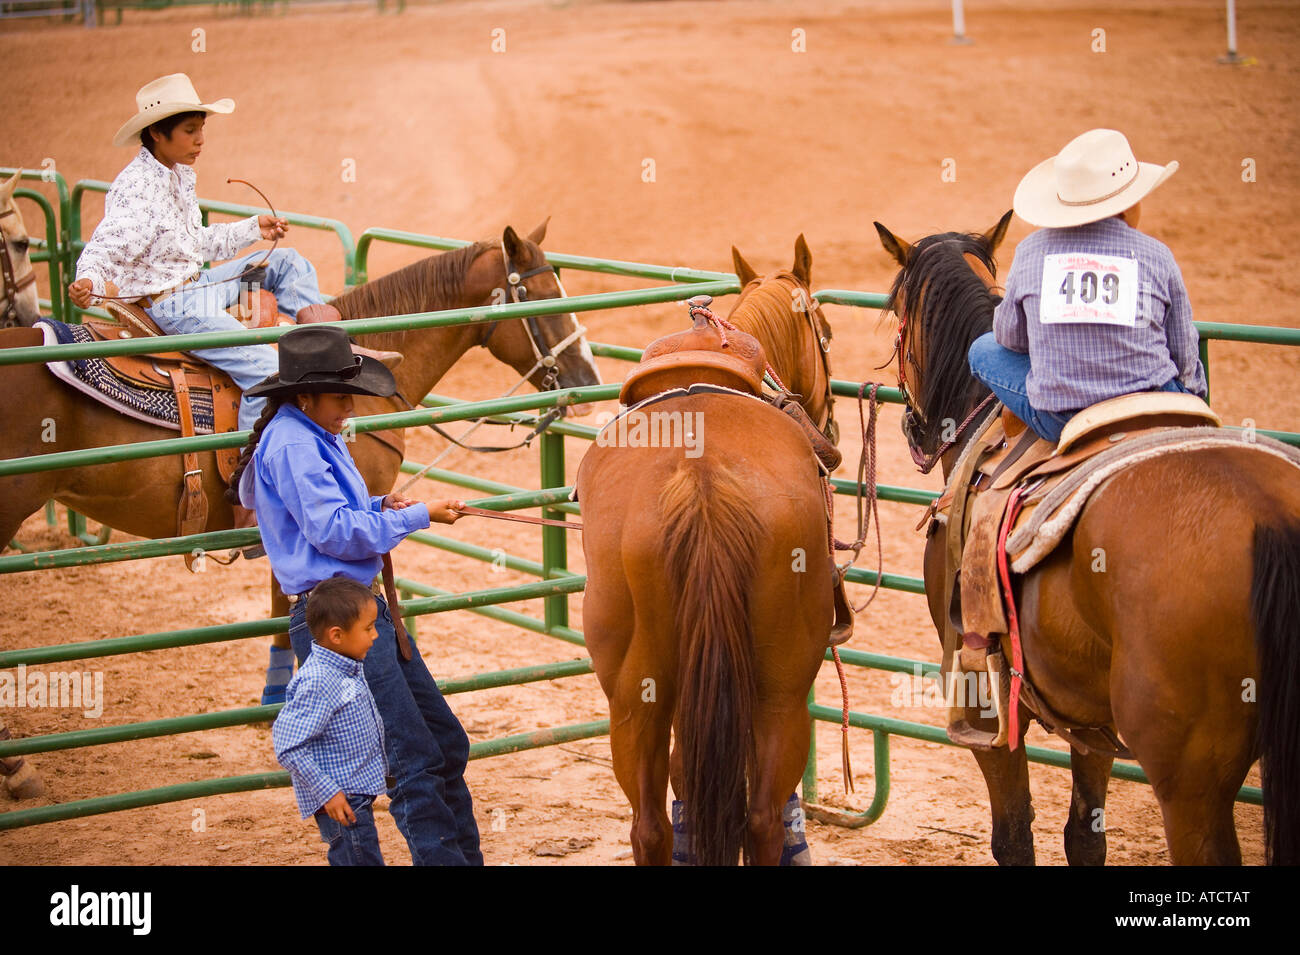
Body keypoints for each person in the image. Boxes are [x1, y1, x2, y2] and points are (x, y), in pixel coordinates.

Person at [232, 324, 483, 866]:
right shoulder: (296, 443)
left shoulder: (308, 434)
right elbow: (331, 532)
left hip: (351, 611)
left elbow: (333, 520)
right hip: (337, 618)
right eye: (341, 395)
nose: (349, 406)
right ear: (305, 396)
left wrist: (378, 506)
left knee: (439, 742)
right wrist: (417, 515)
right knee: (414, 755)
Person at [67, 72, 327, 438]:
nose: (200, 140)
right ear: (158, 132)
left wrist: (254, 229)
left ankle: (321, 350)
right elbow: (105, 248)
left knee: (289, 262)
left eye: (201, 129)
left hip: (202, 284)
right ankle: (248, 473)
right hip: (177, 305)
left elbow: (196, 244)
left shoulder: (176, 174)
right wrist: (89, 280)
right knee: (268, 371)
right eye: (190, 130)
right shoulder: (138, 187)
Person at [967, 128, 1208, 444]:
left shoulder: (1030, 251)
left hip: (1064, 416)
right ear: (1127, 204)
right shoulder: (1156, 254)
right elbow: (1184, 351)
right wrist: (1193, 398)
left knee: (982, 349)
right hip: (1152, 403)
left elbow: (1009, 337)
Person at [273, 576, 389, 866]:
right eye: (368, 628)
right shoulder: (319, 680)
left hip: (353, 794)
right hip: (341, 799)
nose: (375, 635)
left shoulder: (347, 665)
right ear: (337, 635)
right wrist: (329, 792)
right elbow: (288, 745)